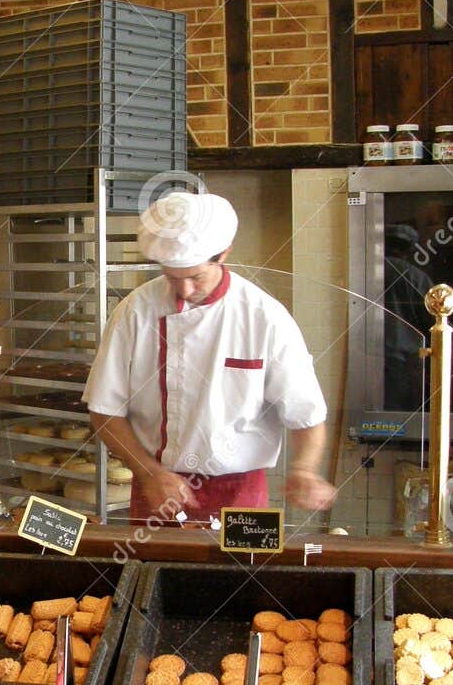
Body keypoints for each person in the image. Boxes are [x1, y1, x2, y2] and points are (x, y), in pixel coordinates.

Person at [83, 191, 336, 522]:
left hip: (241, 492)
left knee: (242, 575)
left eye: (195, 277)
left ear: (224, 254)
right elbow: (104, 410)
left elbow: (307, 415)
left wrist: (305, 469)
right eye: (173, 278)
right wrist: (147, 473)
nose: (185, 291)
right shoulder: (135, 311)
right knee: (149, 573)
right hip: (157, 485)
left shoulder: (264, 317)